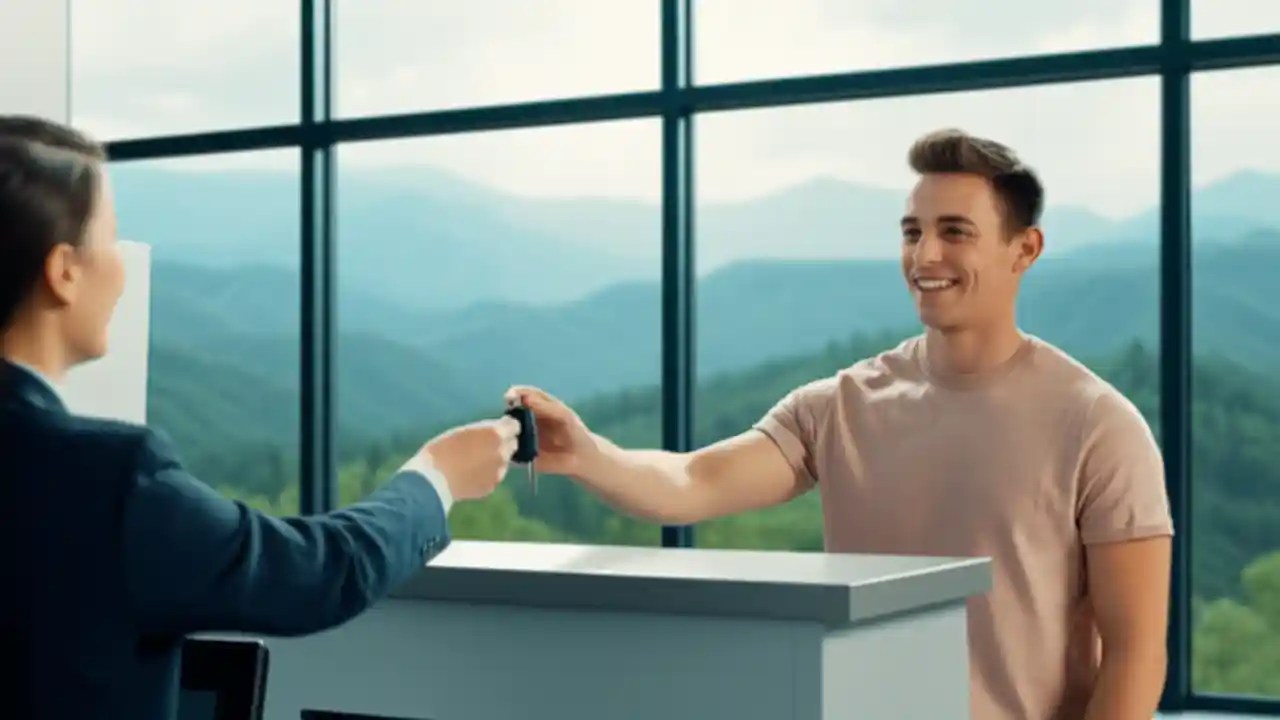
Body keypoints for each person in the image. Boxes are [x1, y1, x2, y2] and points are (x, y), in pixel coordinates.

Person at [507, 129, 1174, 719]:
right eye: (912, 232)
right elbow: (693, 479)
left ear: (1024, 249)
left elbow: (1135, 654)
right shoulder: (841, 404)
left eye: (956, 231)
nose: (926, 255)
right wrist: (591, 455)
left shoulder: (1098, 425)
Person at [0, 115, 520, 720]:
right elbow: (319, 573)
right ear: (63, 271)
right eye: (112, 240)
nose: (123, 268)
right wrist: (437, 478)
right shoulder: (103, 480)